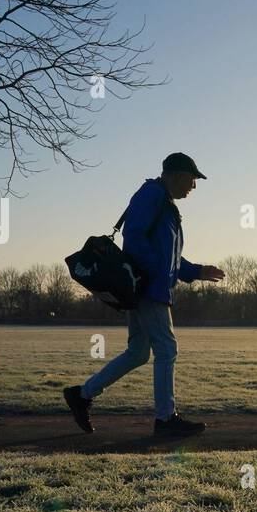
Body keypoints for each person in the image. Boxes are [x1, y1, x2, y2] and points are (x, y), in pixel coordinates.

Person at [64, 152, 225, 437]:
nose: (194, 186)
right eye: (192, 179)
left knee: (138, 353)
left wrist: (197, 271)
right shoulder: (152, 194)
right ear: (176, 175)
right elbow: (135, 238)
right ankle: (165, 420)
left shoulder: (162, 200)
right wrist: (154, 275)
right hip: (149, 290)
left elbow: (169, 257)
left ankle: (82, 394)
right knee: (167, 349)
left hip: (148, 287)